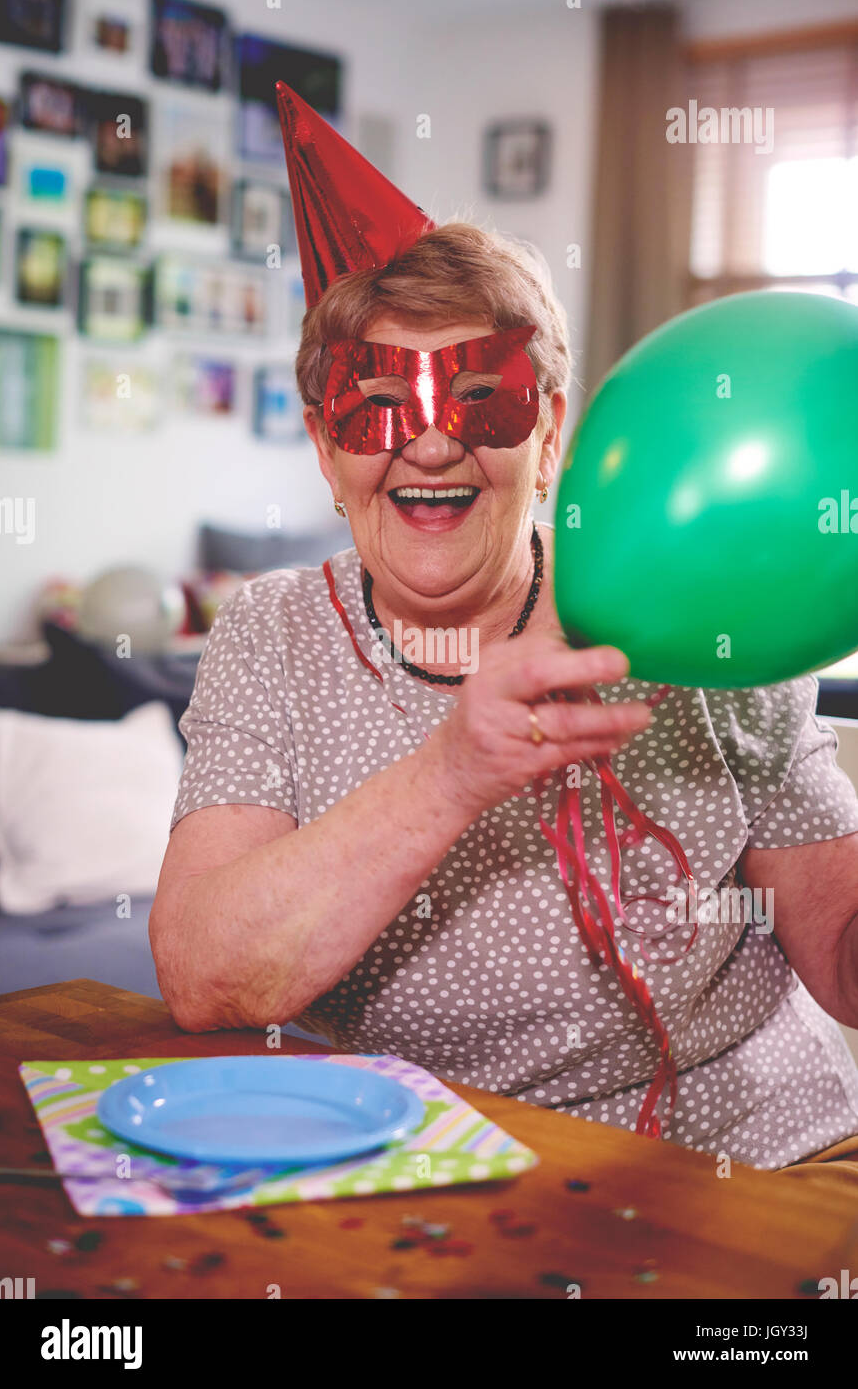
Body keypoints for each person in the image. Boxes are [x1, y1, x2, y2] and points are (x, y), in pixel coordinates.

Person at [149, 82, 858, 1173]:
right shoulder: (272, 635)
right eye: (375, 402)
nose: (429, 447)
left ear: (553, 426)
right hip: (455, 1189)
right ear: (324, 444)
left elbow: (842, 958)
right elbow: (204, 978)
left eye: (483, 398)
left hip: (768, 1165)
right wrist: (451, 772)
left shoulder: (700, 597)